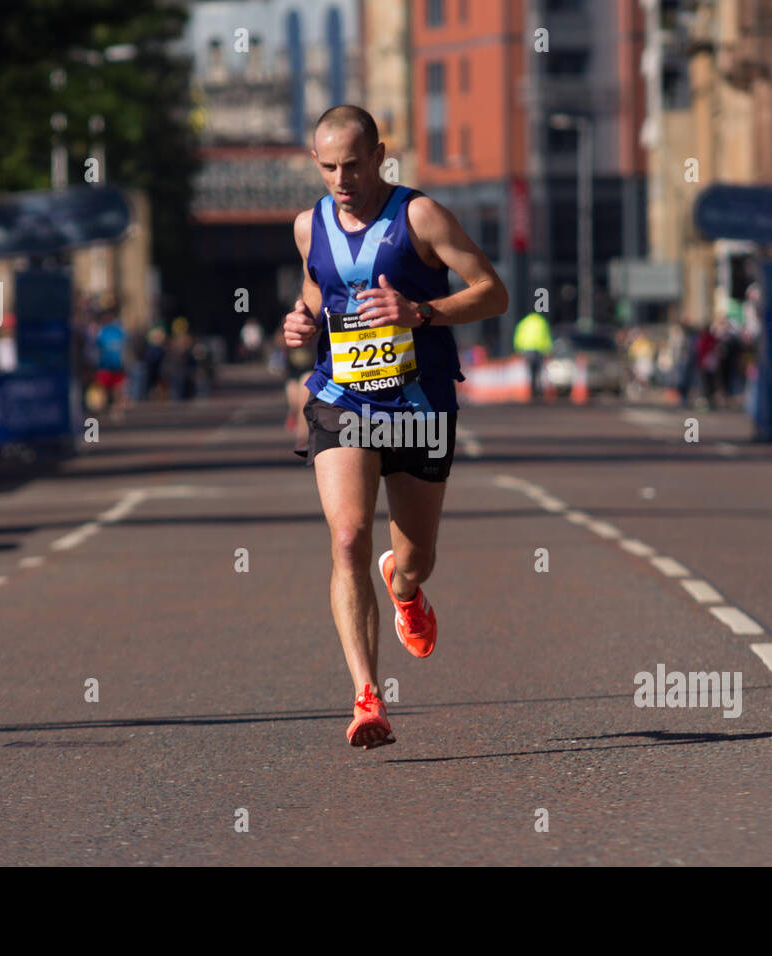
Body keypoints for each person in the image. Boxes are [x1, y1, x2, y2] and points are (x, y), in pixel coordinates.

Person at [282, 105, 507, 748]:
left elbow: (493, 292)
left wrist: (422, 312)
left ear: (380, 154)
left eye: (353, 164)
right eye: (328, 167)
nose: (341, 179)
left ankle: (405, 587)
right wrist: (299, 321)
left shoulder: (420, 216)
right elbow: (315, 294)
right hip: (340, 399)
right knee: (348, 537)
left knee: (415, 558)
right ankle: (367, 698)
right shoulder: (308, 227)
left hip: (419, 405)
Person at [512, 310, 552, 400]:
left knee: (530, 371)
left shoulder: (524, 322)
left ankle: (532, 389)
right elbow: (546, 337)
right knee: (539, 370)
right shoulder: (541, 321)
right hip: (539, 350)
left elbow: (518, 336)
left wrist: (517, 349)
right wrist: (548, 349)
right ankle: (538, 389)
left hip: (527, 350)